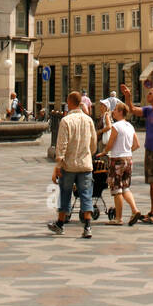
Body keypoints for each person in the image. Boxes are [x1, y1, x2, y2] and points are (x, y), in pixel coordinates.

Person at [47, 91, 98, 239]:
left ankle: (61, 224)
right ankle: (87, 226)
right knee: (86, 195)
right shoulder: (89, 120)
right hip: (85, 164)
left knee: (64, 193)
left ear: (69, 102)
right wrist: (88, 154)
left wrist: (57, 166)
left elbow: (61, 145)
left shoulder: (66, 121)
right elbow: (93, 144)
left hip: (68, 165)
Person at [120, 83, 153, 223]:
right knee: (151, 182)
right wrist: (128, 97)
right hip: (149, 149)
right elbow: (131, 110)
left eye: (151, 93)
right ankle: (152, 211)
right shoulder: (149, 110)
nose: (148, 95)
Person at [102, 102, 144, 226]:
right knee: (125, 187)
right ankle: (134, 210)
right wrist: (127, 151)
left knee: (116, 189)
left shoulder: (116, 126)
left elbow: (110, 143)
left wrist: (104, 152)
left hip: (117, 159)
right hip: (128, 159)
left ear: (121, 112)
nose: (113, 112)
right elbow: (137, 144)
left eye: (115, 110)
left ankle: (118, 218)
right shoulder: (130, 126)